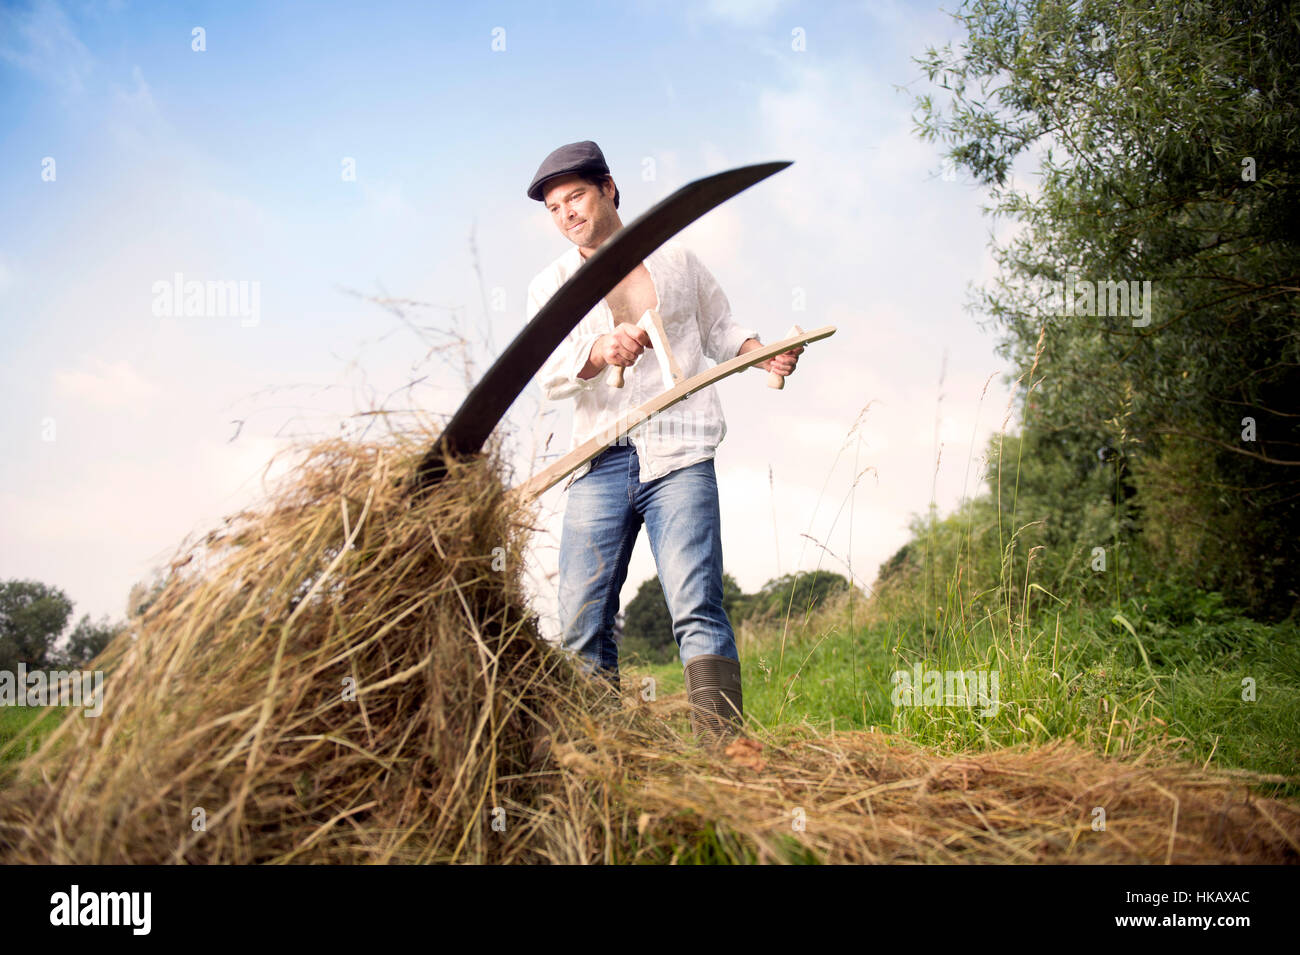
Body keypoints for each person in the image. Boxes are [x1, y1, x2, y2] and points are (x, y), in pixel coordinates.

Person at [526, 141, 802, 741]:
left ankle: (726, 747)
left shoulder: (678, 260)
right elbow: (545, 373)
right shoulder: (549, 285)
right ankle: (599, 756)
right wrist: (598, 351)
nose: (567, 213)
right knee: (580, 620)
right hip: (596, 460)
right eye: (554, 207)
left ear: (609, 188)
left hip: (678, 451)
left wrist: (764, 357)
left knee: (697, 605)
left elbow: (722, 328)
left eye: (576, 196)